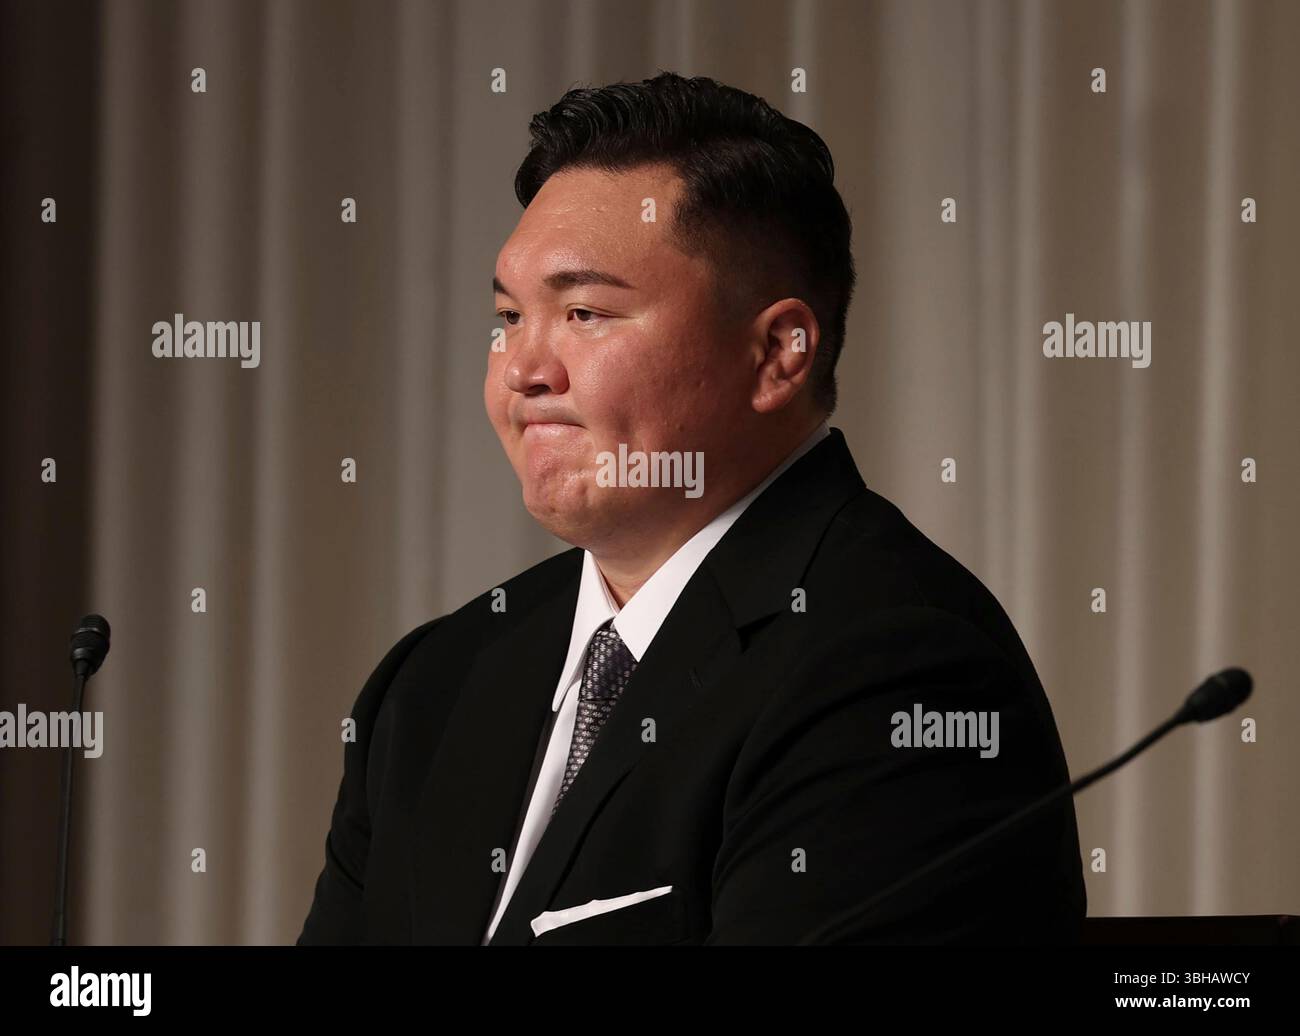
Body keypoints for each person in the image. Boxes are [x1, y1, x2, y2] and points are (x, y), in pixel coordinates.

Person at [297, 71, 1086, 945]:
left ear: (777, 356)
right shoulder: (433, 684)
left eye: (585, 312)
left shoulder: (897, 665)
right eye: (509, 317)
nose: (524, 370)